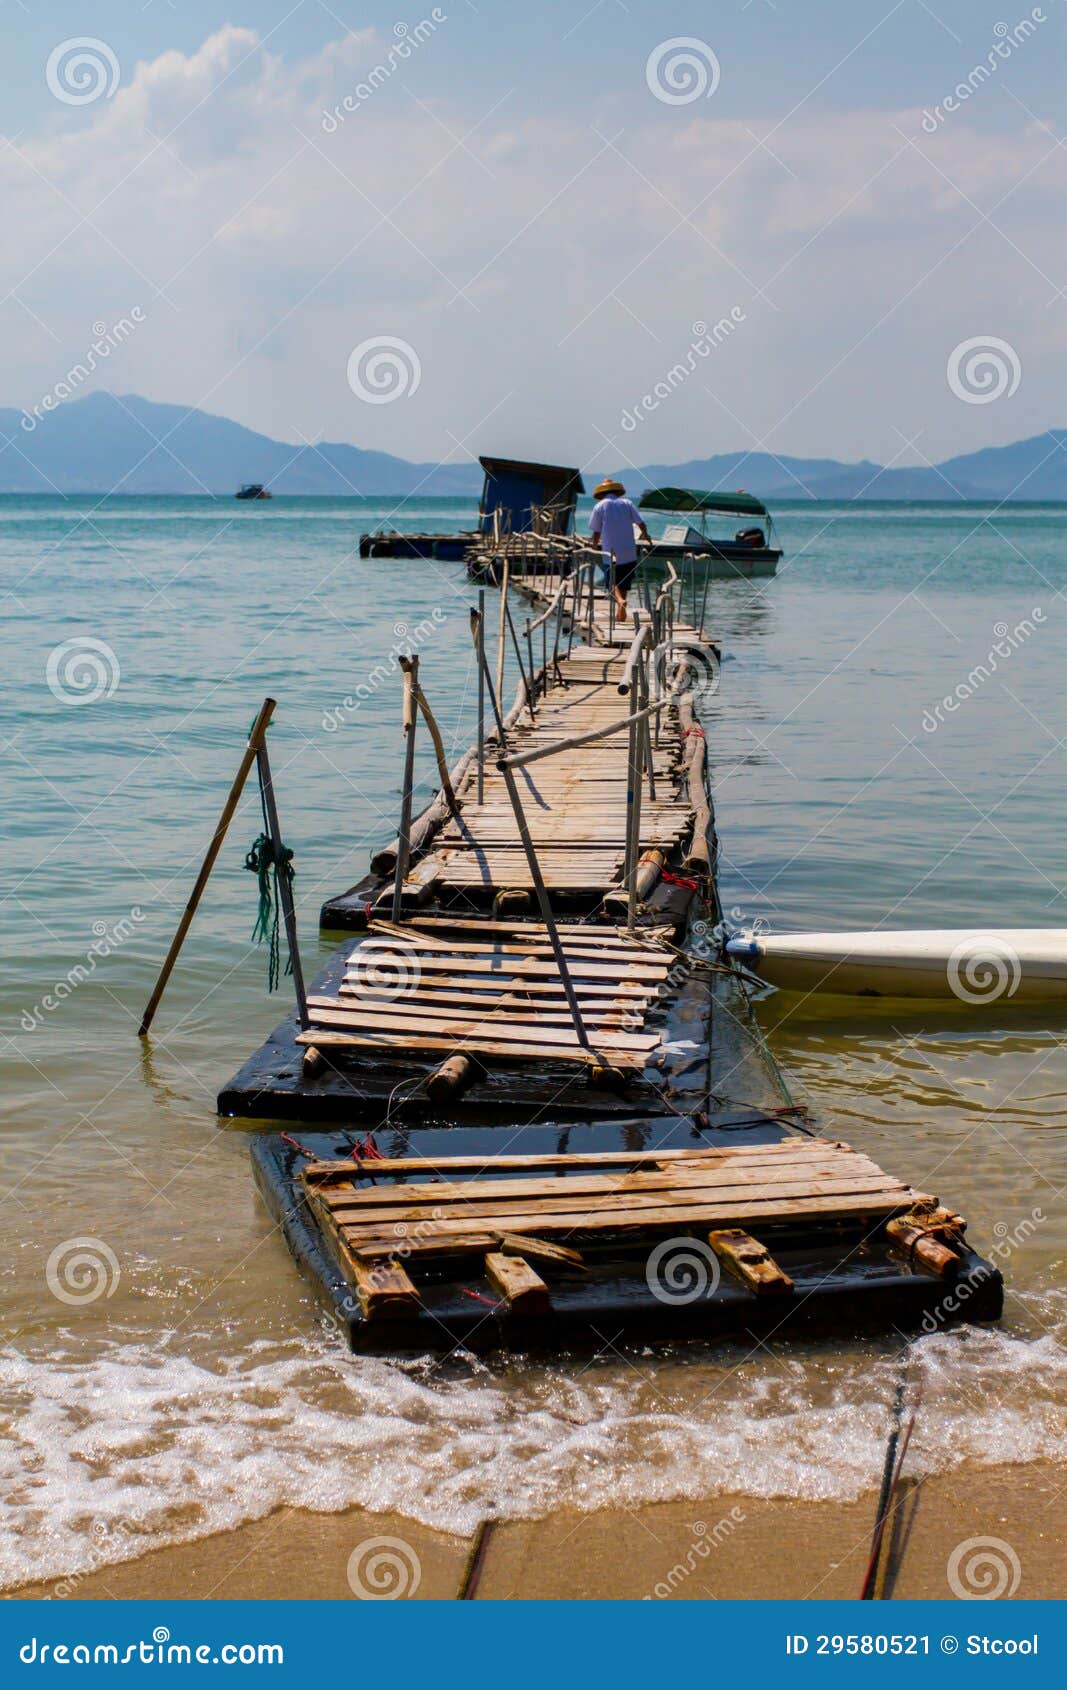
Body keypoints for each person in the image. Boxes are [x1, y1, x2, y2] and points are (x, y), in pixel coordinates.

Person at [589, 478, 651, 625]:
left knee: (612, 583)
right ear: (617, 492)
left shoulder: (600, 506)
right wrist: (646, 535)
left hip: (610, 551)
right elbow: (641, 523)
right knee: (624, 584)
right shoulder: (627, 503)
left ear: (602, 493)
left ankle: (620, 601)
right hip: (628, 550)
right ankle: (621, 616)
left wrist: (594, 546)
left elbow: (596, 531)